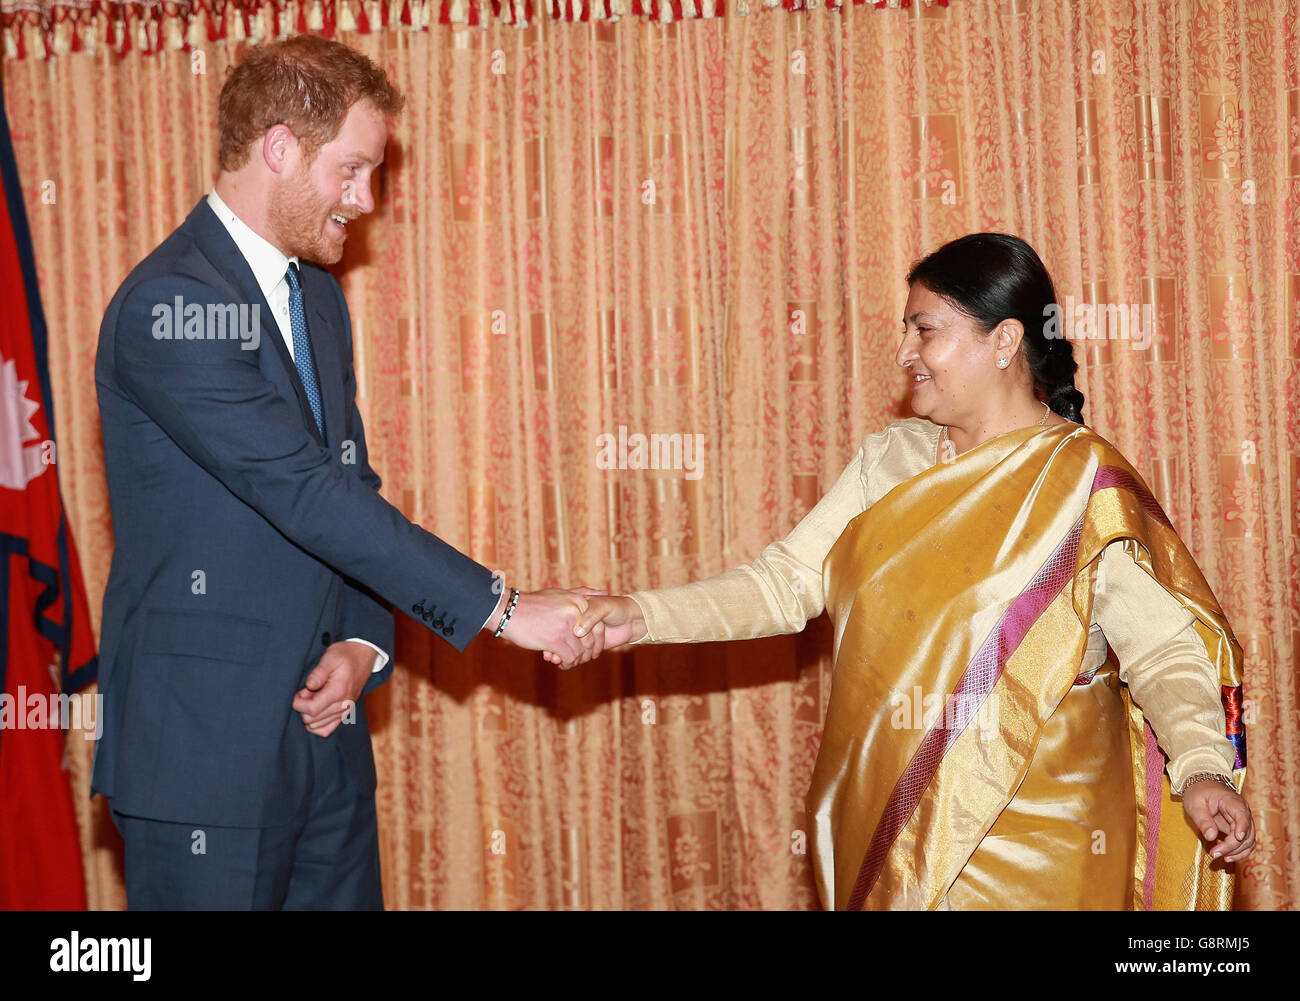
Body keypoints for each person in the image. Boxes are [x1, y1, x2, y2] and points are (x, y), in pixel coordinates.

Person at [573, 233, 1254, 910]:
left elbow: (1164, 648)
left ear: (1004, 340)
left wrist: (1200, 768)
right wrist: (636, 613)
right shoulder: (890, 462)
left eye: (923, 329)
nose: (903, 352)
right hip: (898, 815)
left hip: (1050, 835)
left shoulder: (1081, 482)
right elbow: (783, 585)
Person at [93, 36, 602, 910]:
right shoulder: (169, 307)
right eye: (354, 170)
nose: (365, 201)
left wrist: (364, 637)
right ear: (281, 147)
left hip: (327, 737)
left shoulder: (316, 297)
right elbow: (301, 489)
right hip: (204, 760)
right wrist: (505, 609)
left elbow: (348, 481)